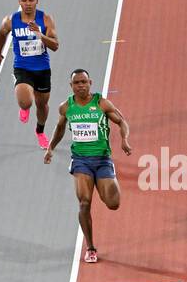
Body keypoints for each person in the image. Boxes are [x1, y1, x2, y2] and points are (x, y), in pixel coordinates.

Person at [41, 69, 132, 264]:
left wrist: (124, 139)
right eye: (77, 83)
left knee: (113, 204)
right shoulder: (66, 107)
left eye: (84, 82)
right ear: (71, 86)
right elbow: (60, 128)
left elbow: (122, 121)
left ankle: (106, 182)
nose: (81, 85)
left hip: (102, 160)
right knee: (84, 203)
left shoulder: (101, 103)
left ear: (90, 83)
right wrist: (50, 148)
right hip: (81, 161)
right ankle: (90, 248)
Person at [0, 0, 59, 149]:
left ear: (37, 1)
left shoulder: (45, 19)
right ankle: (25, 107)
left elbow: (55, 46)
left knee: (42, 105)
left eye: (31, 0)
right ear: (19, 2)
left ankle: (40, 132)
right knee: (25, 102)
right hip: (22, 67)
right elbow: (1, 34)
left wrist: (40, 35)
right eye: (24, 0)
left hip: (42, 69)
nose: (28, 3)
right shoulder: (11, 20)